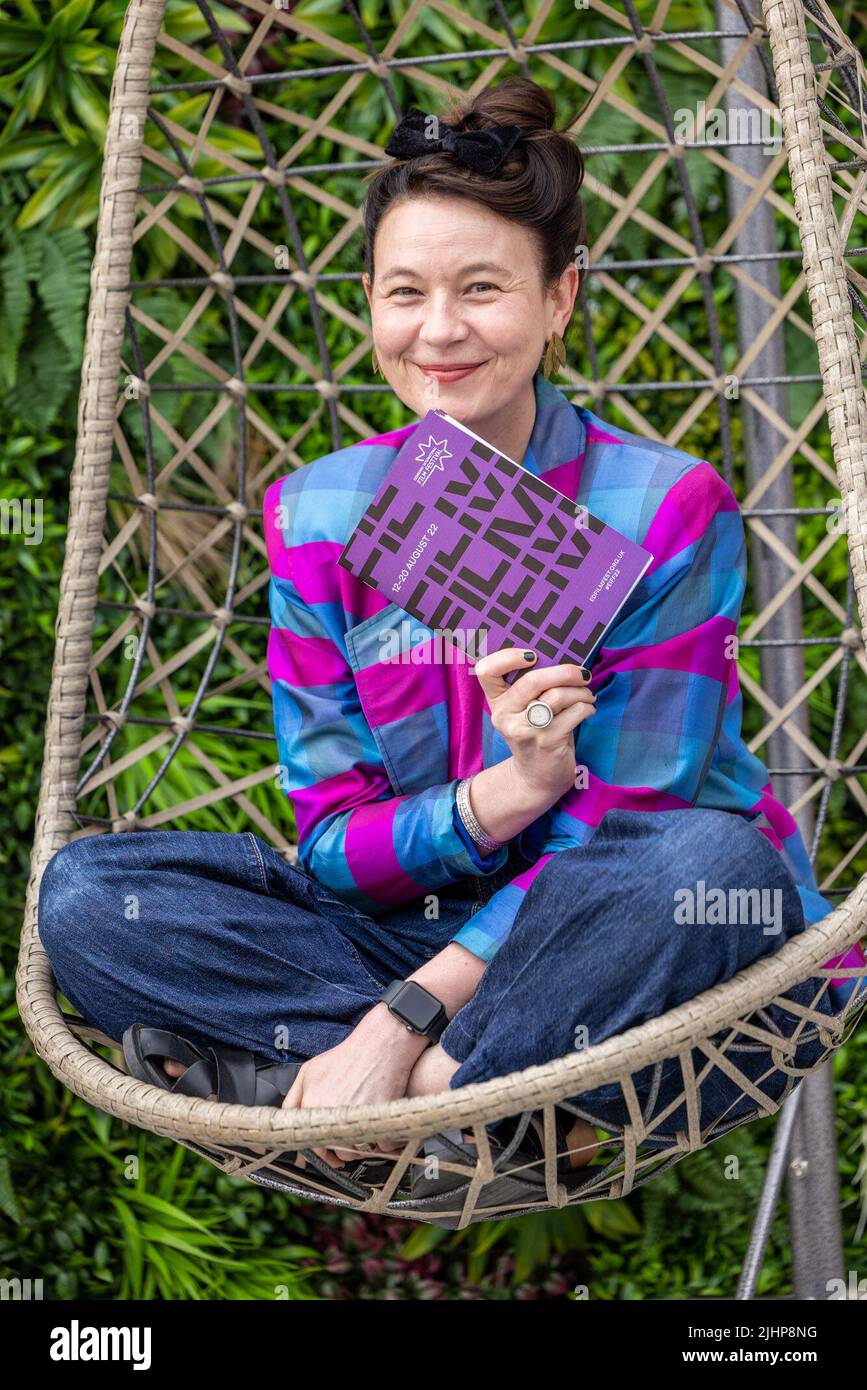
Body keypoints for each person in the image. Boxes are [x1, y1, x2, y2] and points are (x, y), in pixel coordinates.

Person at [37, 77, 860, 1205]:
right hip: (407, 937)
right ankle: (487, 1116)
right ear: (369, 303)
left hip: (630, 959)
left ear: (561, 298)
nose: (438, 332)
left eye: (482, 289)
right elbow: (332, 847)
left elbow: (643, 819)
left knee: (713, 868)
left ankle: (370, 1092)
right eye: (405, 292)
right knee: (87, 894)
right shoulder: (320, 517)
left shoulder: (664, 506)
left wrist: (402, 1026)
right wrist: (501, 798)